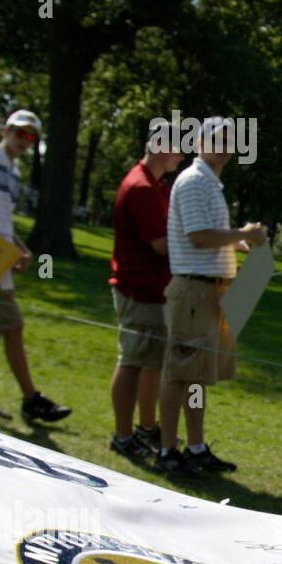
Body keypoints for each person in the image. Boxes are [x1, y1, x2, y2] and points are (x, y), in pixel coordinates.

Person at [155, 116, 265, 480]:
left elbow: (210, 236)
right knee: (179, 372)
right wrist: (242, 232)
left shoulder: (210, 184)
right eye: (218, 139)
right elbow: (199, 237)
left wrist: (241, 242)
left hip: (211, 288)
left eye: (231, 141)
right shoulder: (193, 181)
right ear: (200, 142)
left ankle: (196, 446)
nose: (226, 146)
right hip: (193, 289)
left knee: (198, 375)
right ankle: (168, 449)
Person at [107, 129, 185, 460]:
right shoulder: (141, 187)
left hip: (152, 289)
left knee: (150, 361)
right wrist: (200, 243)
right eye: (177, 150)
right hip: (139, 289)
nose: (181, 157)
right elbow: (161, 244)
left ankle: (146, 428)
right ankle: (123, 436)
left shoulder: (154, 185)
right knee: (132, 361)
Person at [0, 109, 71, 425]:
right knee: (13, 325)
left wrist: (21, 249)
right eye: (20, 132)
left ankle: (31, 399)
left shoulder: (12, 173)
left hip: (2, 259)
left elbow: (3, 219)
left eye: (31, 136)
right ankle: (31, 399)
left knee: (10, 327)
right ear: (5, 129)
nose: (25, 140)